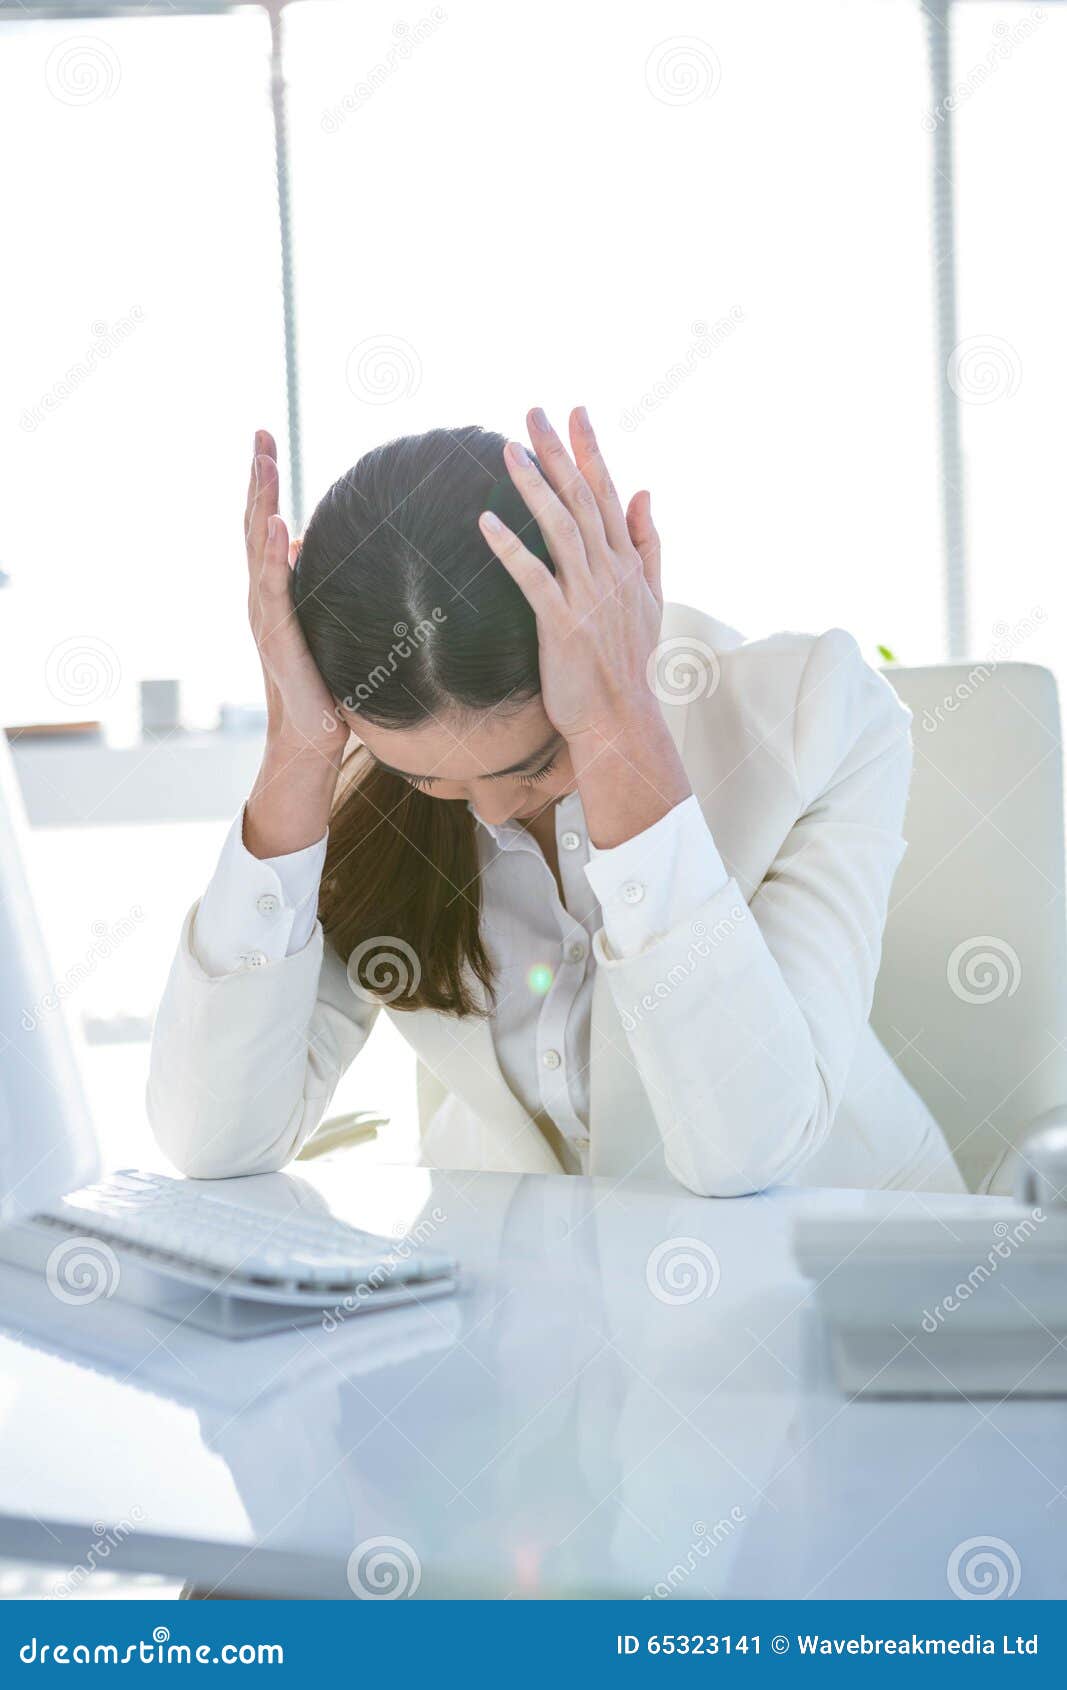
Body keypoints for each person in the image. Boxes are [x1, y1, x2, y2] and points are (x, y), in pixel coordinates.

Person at [148, 407, 964, 1196]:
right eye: (431, 780)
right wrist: (296, 753)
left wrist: (620, 732)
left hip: (845, 1282)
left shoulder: (811, 715)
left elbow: (747, 1152)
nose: (494, 814)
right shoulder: (360, 775)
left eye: (536, 761)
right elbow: (217, 1142)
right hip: (533, 1297)